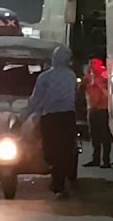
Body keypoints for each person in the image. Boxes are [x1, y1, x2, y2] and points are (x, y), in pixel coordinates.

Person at [22, 46, 78, 198]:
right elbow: (75, 95)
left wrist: (23, 117)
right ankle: (59, 182)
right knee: (65, 151)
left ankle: (57, 182)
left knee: (51, 151)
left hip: (50, 118)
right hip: (67, 117)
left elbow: (35, 100)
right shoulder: (71, 76)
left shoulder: (45, 77)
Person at [81, 58, 113, 168]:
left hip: (102, 109)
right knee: (94, 136)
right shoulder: (89, 77)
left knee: (104, 136)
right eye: (91, 64)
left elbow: (108, 93)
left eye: (94, 64)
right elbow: (82, 89)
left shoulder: (104, 77)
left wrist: (99, 84)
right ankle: (95, 159)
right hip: (92, 109)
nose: (92, 66)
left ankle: (106, 160)